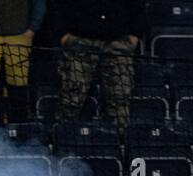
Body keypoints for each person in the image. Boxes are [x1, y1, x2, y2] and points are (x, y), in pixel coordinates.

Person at [54, 0, 144, 129]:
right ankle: (64, 140)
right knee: (71, 98)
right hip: (80, 42)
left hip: (118, 42)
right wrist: (62, 34)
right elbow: (56, 6)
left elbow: (139, 6)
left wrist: (136, 34)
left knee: (119, 99)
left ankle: (120, 143)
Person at [0, 0, 45, 126]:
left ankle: (19, 127)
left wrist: (31, 29)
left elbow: (39, 4)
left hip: (18, 35)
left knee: (19, 83)